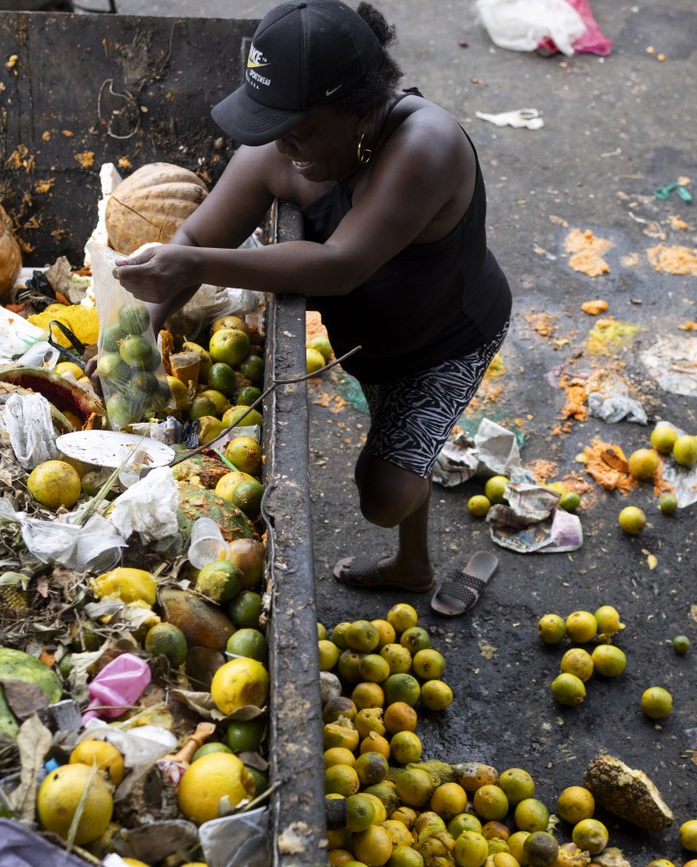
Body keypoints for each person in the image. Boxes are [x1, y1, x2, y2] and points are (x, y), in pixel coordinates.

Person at [116, 0, 511, 613]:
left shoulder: (424, 147)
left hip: (446, 336)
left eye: (300, 130)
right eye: (274, 128)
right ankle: (415, 565)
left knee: (382, 492)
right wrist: (145, 325)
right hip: (376, 340)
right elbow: (196, 238)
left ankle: (410, 481)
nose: (284, 147)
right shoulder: (288, 148)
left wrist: (195, 267)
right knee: (397, 438)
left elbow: (340, 266)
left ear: (359, 110)